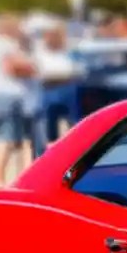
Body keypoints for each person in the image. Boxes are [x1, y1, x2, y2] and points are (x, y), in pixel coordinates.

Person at [0, 15, 37, 185]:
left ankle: (2, 178)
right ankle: (4, 179)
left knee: (4, 138)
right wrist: (33, 68)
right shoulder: (7, 45)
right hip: (10, 95)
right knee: (11, 139)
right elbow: (13, 67)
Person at [31, 24, 80, 155]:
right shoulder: (39, 52)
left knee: (74, 125)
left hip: (68, 90)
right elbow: (38, 72)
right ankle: (47, 155)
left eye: (55, 36)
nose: (52, 39)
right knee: (48, 126)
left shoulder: (70, 51)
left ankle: (75, 153)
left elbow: (77, 70)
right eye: (49, 36)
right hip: (48, 90)